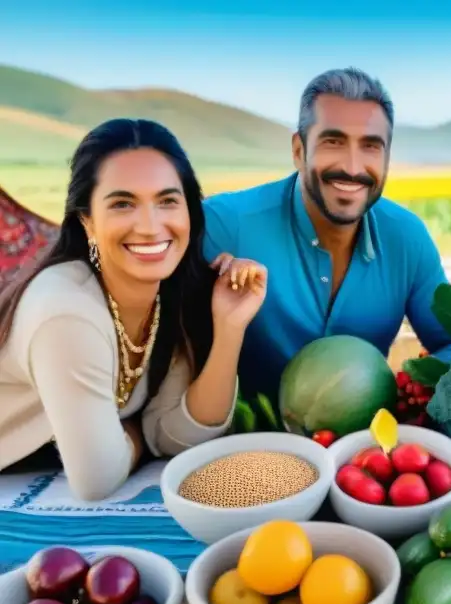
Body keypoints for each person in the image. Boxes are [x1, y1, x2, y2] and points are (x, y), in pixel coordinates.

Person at [0, 118, 267, 501]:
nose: (149, 225)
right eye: (123, 203)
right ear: (88, 223)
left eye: (167, 201)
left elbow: (176, 437)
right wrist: (137, 432)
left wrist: (229, 327)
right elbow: (98, 480)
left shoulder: (164, 297)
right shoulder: (66, 311)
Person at [203, 67, 451, 402]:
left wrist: (410, 390)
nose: (352, 166)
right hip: (245, 444)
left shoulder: (408, 238)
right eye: (333, 142)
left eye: (370, 146)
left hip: (364, 447)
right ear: (298, 150)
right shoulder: (225, 224)